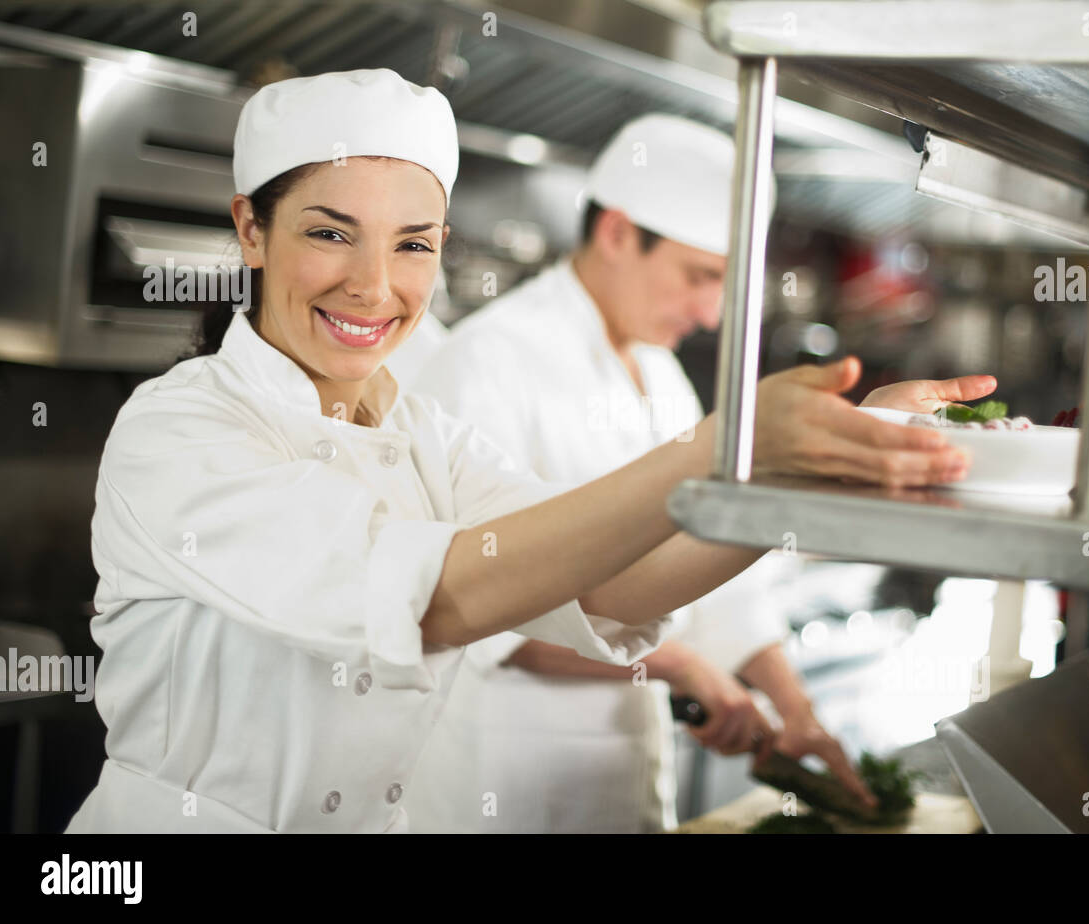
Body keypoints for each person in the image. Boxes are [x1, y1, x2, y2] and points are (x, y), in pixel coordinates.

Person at [65, 68, 974, 834]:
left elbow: (609, 581)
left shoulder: (422, 438)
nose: (375, 286)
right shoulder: (177, 430)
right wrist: (723, 447)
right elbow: (434, 598)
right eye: (330, 232)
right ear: (252, 229)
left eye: (413, 244)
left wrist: (803, 475)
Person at [405, 115, 997, 832]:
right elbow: (475, 609)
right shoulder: (487, 362)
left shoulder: (661, 377)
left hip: (622, 774)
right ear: (618, 233)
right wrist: (681, 667)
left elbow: (720, 573)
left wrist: (795, 712)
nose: (711, 311)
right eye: (700, 276)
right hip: (497, 780)